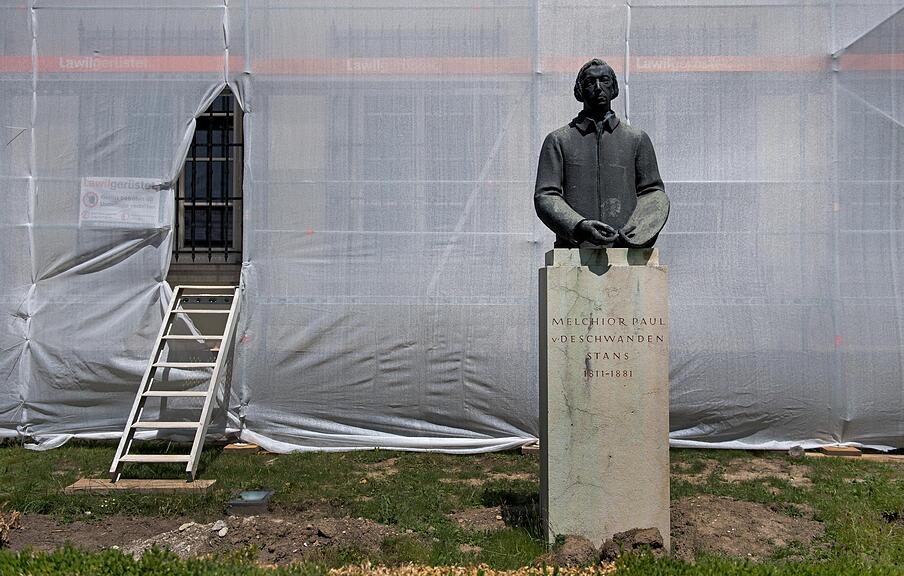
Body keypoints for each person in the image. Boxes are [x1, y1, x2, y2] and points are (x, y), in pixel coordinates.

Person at [534, 58, 667, 248]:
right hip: (576, 248)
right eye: (590, 82)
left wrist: (639, 231)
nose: (598, 87)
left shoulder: (637, 139)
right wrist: (579, 226)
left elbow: (653, 193)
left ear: (614, 88)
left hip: (625, 248)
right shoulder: (558, 140)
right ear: (580, 91)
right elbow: (545, 195)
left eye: (604, 80)